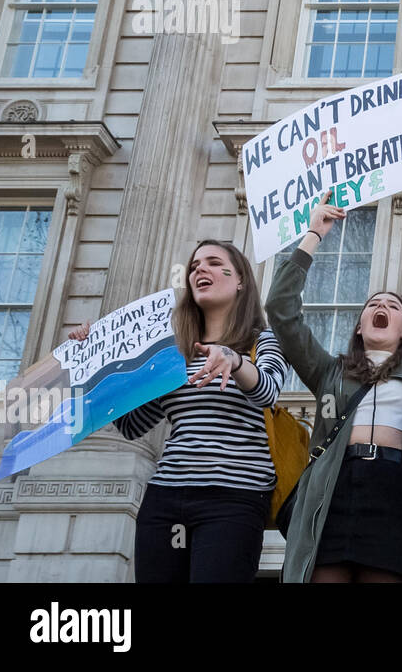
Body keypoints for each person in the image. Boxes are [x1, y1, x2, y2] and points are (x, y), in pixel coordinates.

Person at [266, 191, 402, 583]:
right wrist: (313, 234)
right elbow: (281, 310)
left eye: (393, 306)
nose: (381, 307)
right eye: (373, 304)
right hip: (332, 492)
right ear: (359, 325)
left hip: (394, 492)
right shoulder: (328, 372)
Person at [72, 239, 288, 583]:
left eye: (214, 263)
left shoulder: (262, 340)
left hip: (233, 498)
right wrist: (96, 366)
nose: (200, 269)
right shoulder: (173, 354)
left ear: (240, 280)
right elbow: (133, 425)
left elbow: (268, 391)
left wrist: (234, 359)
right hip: (165, 498)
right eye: (194, 266)